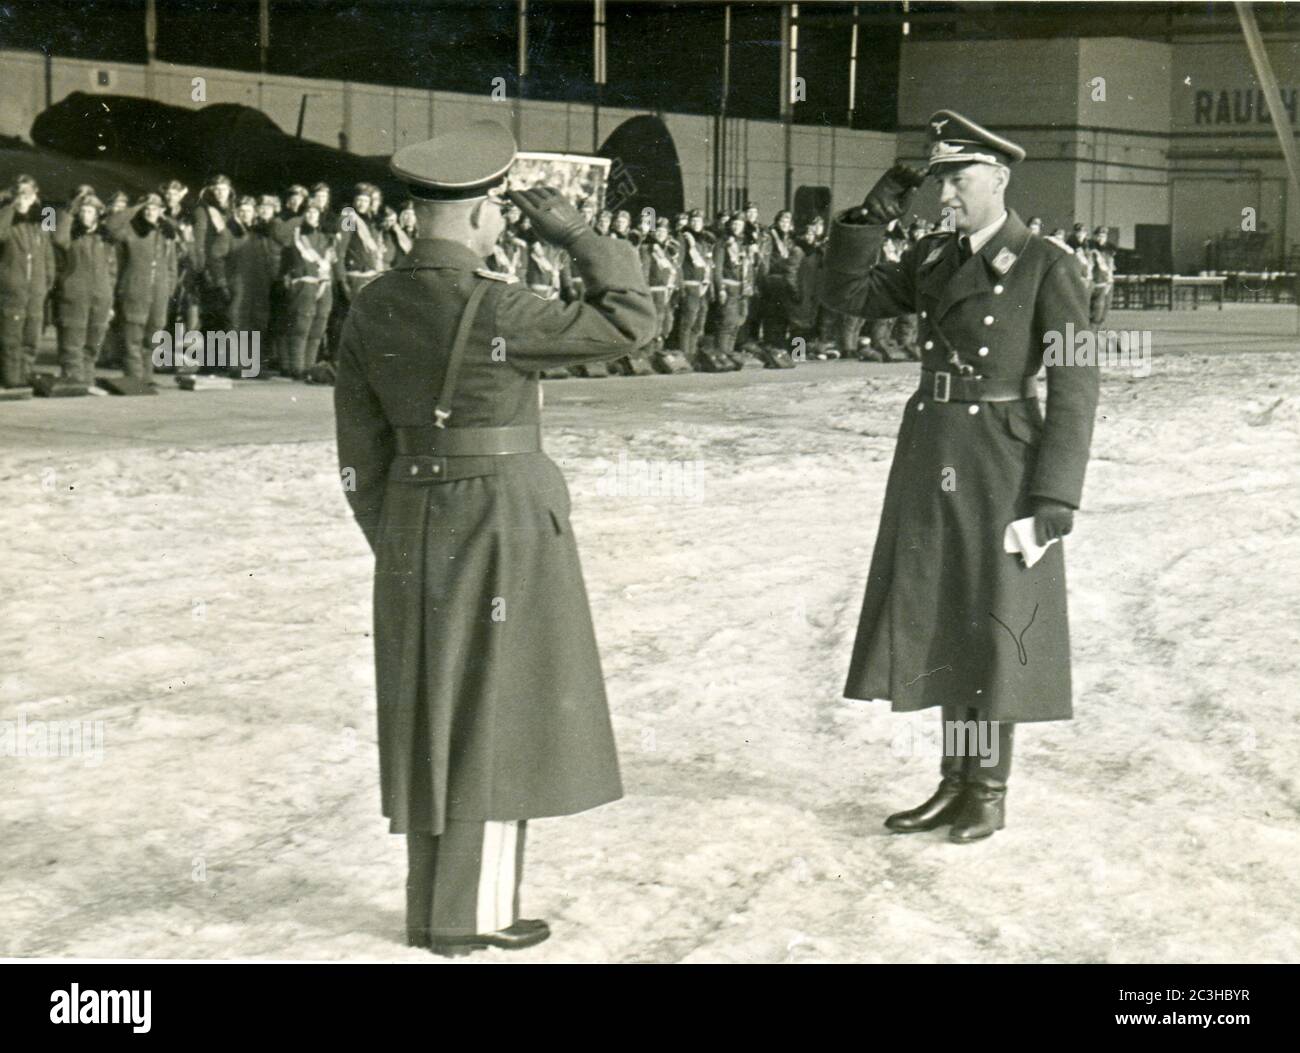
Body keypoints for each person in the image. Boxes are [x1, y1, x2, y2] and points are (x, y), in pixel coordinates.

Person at [334, 120, 655, 956]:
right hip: (501, 521)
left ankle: (433, 906)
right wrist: (581, 235)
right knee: (496, 711)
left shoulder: (373, 303)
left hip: (411, 514)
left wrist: (399, 530)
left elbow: (359, 452)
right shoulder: (497, 306)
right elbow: (631, 322)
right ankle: (468, 916)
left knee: (434, 709)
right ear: (482, 216)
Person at [819, 109, 1098, 843]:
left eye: (958, 180)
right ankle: (954, 781)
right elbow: (844, 297)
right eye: (938, 182)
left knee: (994, 625)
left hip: (1000, 460)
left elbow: (1075, 383)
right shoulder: (934, 260)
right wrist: (870, 214)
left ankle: (990, 789)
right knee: (948, 618)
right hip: (932, 450)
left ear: (999, 179)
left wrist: (1054, 495)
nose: (944, 196)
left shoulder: (1047, 264)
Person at [104, 192, 181, 383]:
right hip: (134, 289)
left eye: (154, 208)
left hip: (159, 292)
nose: (149, 212)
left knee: (153, 333)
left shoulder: (166, 233)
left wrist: (168, 289)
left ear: (160, 211)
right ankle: (133, 377)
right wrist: (136, 208)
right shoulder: (130, 230)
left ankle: (146, 376)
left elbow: (172, 265)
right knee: (133, 335)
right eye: (146, 209)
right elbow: (110, 226)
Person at [52, 191, 117, 385]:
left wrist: (110, 301)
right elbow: (58, 239)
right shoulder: (71, 235)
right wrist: (69, 213)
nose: (85, 215)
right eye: (82, 211)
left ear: (97, 214)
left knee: (94, 340)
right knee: (72, 339)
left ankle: (87, 379)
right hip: (74, 296)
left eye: (89, 211)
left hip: (100, 297)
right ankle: (72, 378)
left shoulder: (104, 240)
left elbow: (112, 272)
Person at [0, 175, 56, 388]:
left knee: (32, 335)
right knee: (10, 336)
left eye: (29, 194)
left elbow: (49, 251)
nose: (25, 198)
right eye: (21, 193)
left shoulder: (41, 222)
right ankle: (11, 377)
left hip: (36, 290)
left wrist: (48, 281)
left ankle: (25, 373)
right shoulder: (7, 218)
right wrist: (12, 209)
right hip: (12, 289)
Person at [273, 200, 339, 378]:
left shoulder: (326, 238)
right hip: (304, 283)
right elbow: (279, 236)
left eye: (314, 213)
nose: (311, 216)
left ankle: (310, 368)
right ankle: (297, 367)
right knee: (300, 326)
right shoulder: (295, 236)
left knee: (318, 327)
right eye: (307, 212)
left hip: (324, 284)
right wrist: (298, 220)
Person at [758, 210, 804, 354]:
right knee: (773, 316)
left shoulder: (790, 239)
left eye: (787, 222)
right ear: (777, 222)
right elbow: (765, 261)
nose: (785, 224)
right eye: (782, 221)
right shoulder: (771, 237)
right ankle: (772, 346)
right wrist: (763, 280)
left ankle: (781, 347)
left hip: (785, 280)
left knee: (783, 316)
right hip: (774, 279)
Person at [713, 212, 755, 367]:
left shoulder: (743, 243)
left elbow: (749, 267)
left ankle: (728, 354)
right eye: (734, 224)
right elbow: (717, 269)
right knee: (726, 323)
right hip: (729, 287)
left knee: (737, 322)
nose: (737, 227)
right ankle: (721, 356)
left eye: (740, 224)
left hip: (742, 289)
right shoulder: (723, 243)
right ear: (730, 225)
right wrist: (720, 289)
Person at [677, 209, 712, 364]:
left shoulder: (703, 240)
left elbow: (708, 263)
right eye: (693, 221)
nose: (695, 223)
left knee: (699, 322)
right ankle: (686, 355)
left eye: (698, 221)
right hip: (690, 285)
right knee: (688, 321)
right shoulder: (684, 238)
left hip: (702, 286)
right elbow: (678, 263)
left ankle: (693, 352)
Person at [640, 221, 679, 355]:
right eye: (658, 232)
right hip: (653, 290)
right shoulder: (648, 249)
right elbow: (645, 271)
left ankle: (659, 352)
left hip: (667, 290)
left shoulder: (669, 250)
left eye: (663, 232)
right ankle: (649, 353)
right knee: (654, 322)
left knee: (666, 323)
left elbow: (674, 270)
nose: (660, 234)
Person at [1088, 225, 1115, 326]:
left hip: (1108, 280)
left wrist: (1110, 279)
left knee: (1105, 308)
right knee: (1096, 309)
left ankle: (1097, 330)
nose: (1101, 238)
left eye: (1103, 236)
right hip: (1097, 281)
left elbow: (1111, 264)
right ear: (1095, 236)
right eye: (1099, 236)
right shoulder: (1092, 249)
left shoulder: (1110, 249)